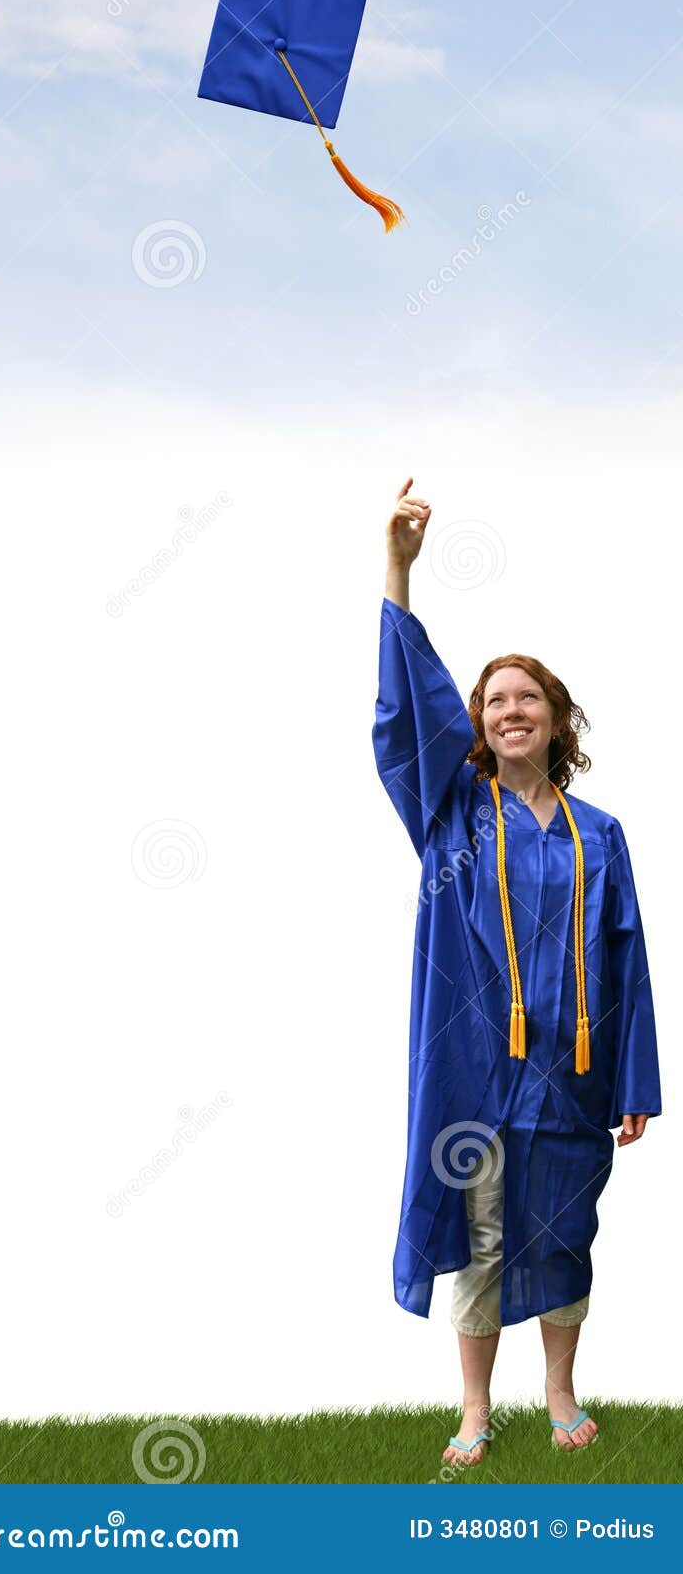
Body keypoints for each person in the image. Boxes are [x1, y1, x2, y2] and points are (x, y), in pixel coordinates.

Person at [372, 478, 662, 1464]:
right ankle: (472, 1407)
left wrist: (633, 1080)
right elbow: (403, 717)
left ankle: (557, 1390)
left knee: (561, 1238)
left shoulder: (598, 833)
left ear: (554, 716)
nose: (507, 711)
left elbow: (627, 956)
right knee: (486, 1240)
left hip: (572, 1080)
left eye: (524, 696)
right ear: (476, 724)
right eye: (491, 700)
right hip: (478, 1077)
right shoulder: (451, 814)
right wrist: (399, 570)